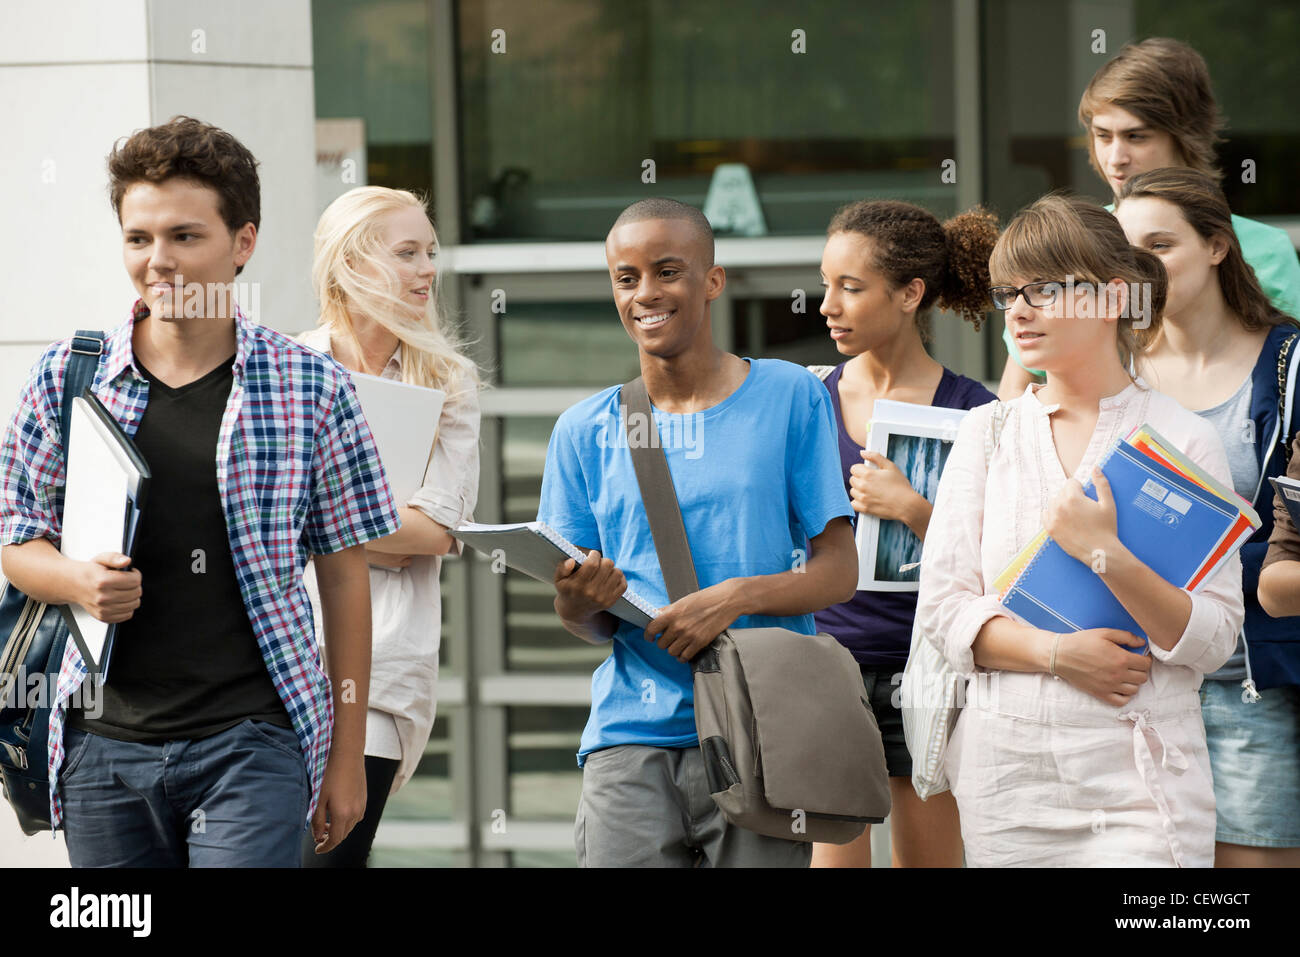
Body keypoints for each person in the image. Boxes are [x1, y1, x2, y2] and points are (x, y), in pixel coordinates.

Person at [0, 117, 398, 866]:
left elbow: (345, 577)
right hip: (99, 747)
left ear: (242, 242)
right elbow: (16, 541)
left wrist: (347, 759)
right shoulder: (67, 377)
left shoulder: (310, 387)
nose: (159, 261)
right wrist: (77, 581)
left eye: (185, 236)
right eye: (139, 238)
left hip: (253, 742)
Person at [916, 192, 1245, 866]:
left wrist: (1104, 552)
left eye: (1044, 288)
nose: (1020, 310)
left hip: (1144, 780)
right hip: (1007, 784)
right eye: (1009, 293)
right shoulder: (987, 432)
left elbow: (1214, 640)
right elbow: (944, 611)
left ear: (1113, 295)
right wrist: (1059, 655)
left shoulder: (1182, 437)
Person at [538, 197, 857, 867]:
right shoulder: (583, 430)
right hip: (630, 737)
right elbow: (582, 622)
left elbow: (838, 571)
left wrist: (734, 597)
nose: (645, 294)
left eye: (667, 271)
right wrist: (580, 598)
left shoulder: (789, 395)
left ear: (712, 281)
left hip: (760, 731)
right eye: (626, 278)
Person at [1114, 167, 1300, 866]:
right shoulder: (1113, 365)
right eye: (1127, 252)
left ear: (1218, 245)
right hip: (1131, 685)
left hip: (1250, 683)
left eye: (1160, 246)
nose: (1141, 267)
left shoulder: (1290, 365)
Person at [808, 199, 998, 868]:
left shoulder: (978, 414)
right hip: (827, 664)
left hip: (932, 670)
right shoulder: (807, 400)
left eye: (850, 287)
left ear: (910, 293)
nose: (827, 305)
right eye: (826, 284)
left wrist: (915, 509)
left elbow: (1002, 562)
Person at [297, 186, 481, 867]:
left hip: (381, 674)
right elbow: (253, 516)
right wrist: (383, 527)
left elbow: (436, 531)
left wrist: (313, 519)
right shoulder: (284, 369)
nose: (428, 269)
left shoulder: (450, 381)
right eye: (408, 253)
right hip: (277, 662)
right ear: (350, 263)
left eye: (430, 252)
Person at [997, 37, 1300, 400]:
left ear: (1185, 136)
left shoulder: (1266, 251)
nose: (1116, 157)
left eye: (1136, 136)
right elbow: (1017, 388)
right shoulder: (1069, 242)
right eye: (1102, 136)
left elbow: (1289, 379)